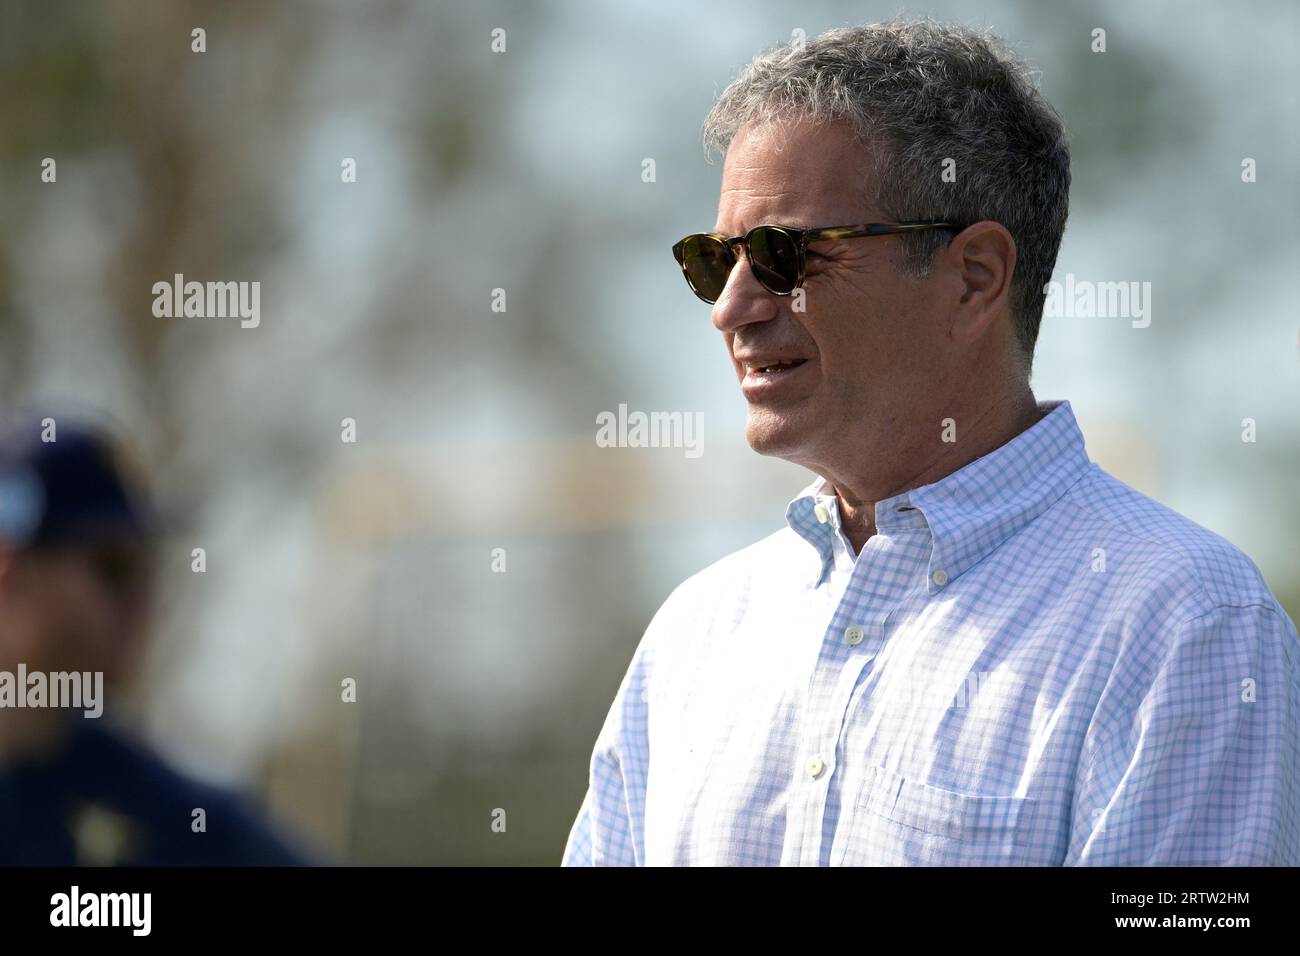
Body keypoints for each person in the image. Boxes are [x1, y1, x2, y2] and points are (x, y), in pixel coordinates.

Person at [563, 19, 1299, 866]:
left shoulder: (1185, 625)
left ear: (974, 277)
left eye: (783, 254)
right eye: (712, 260)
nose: (732, 307)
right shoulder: (695, 636)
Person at [0, 415, 316, 865]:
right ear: (12, 575)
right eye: (115, 569)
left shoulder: (170, 813)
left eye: (150, 572)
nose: (143, 602)